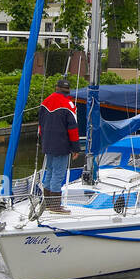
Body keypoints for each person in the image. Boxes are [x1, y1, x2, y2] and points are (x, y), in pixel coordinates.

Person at [39, 76, 80, 212]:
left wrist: (43, 141)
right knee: (58, 174)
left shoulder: (45, 102)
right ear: (68, 91)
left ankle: (47, 202)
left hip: (47, 144)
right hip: (62, 145)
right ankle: (55, 206)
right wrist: (75, 148)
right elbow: (73, 130)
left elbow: (40, 125)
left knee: (49, 171)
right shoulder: (69, 105)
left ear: (56, 88)